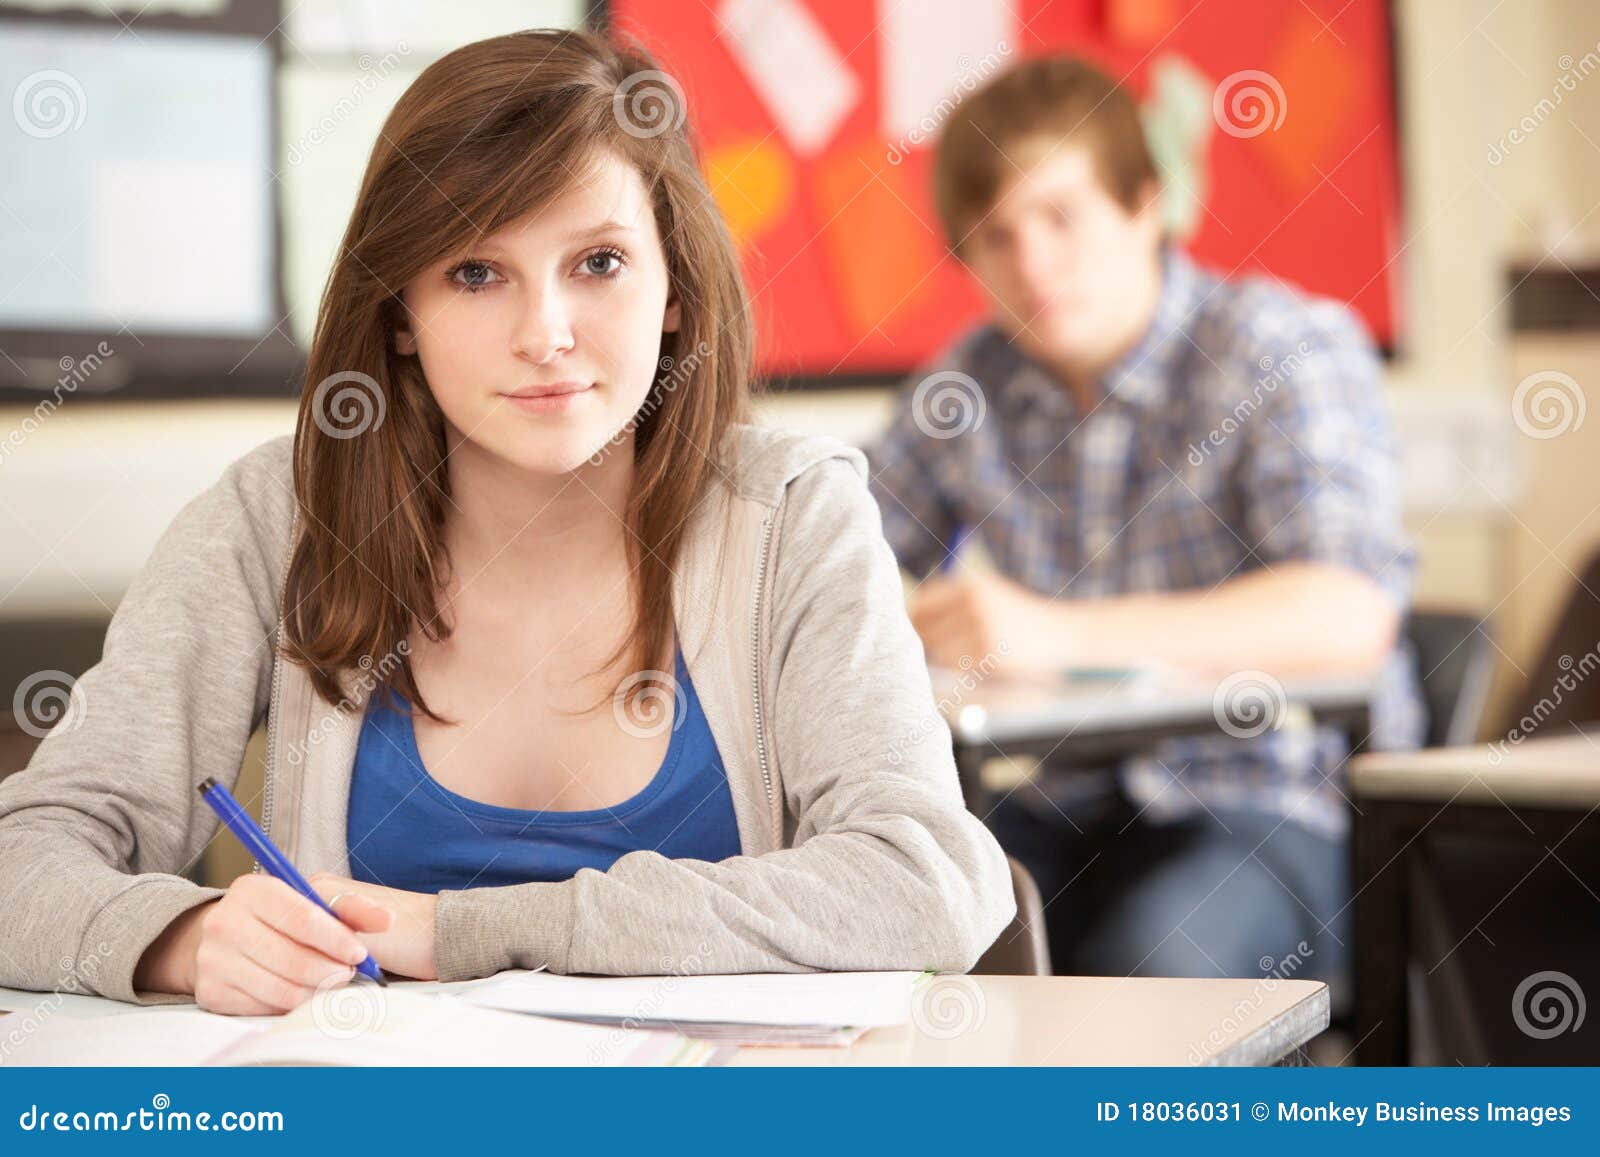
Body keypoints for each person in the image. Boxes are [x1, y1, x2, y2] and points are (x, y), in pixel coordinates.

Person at [0, 29, 1013, 1015]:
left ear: (673, 284)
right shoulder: (274, 521)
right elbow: (23, 863)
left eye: (599, 263)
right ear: (399, 310)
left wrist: (460, 931)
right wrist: (178, 938)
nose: (545, 335)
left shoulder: (793, 514)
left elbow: (924, 879)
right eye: (475, 274)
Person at [868, 55, 1422, 985]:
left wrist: (1047, 634)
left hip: (1271, 814)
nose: (1033, 264)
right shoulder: (972, 382)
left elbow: (1348, 612)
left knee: (1155, 967)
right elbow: (839, 557)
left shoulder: (1280, 348)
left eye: (1060, 217)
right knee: (902, 939)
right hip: (1055, 802)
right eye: (995, 235)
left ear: (1147, 204)